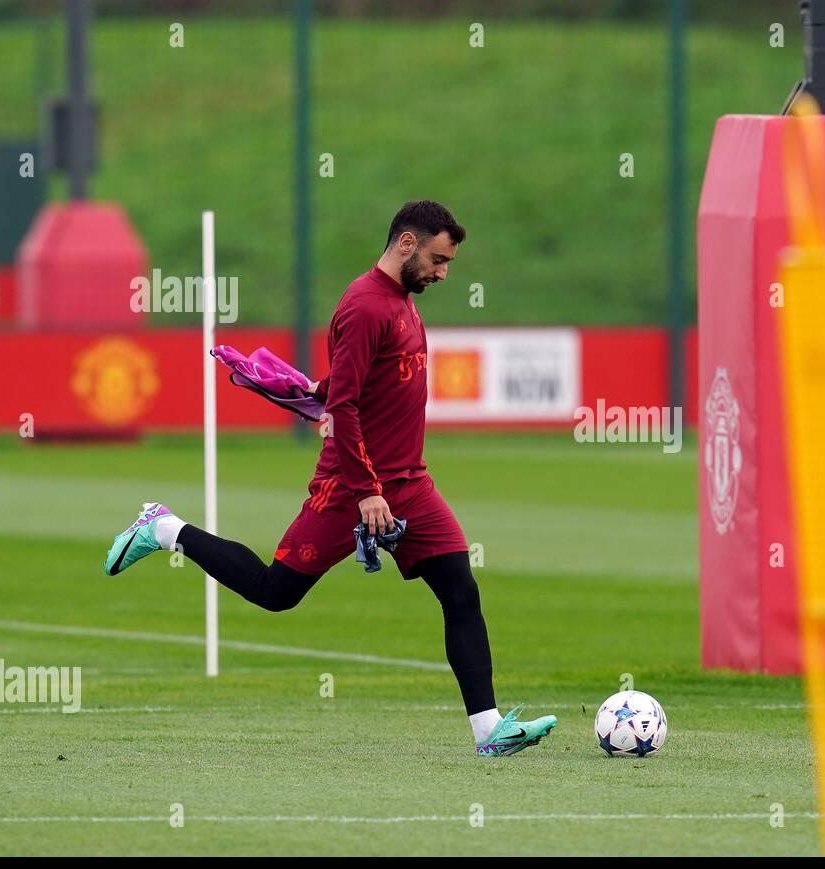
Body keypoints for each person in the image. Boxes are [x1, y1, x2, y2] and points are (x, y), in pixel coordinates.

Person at [104, 199, 557, 757]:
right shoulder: (367, 304)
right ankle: (165, 528)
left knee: (461, 591)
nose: (443, 273)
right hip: (351, 485)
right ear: (407, 244)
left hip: (410, 482)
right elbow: (345, 406)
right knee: (277, 593)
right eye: (439, 260)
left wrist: (311, 394)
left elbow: (352, 388)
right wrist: (366, 490)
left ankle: (489, 731)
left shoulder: (401, 302)